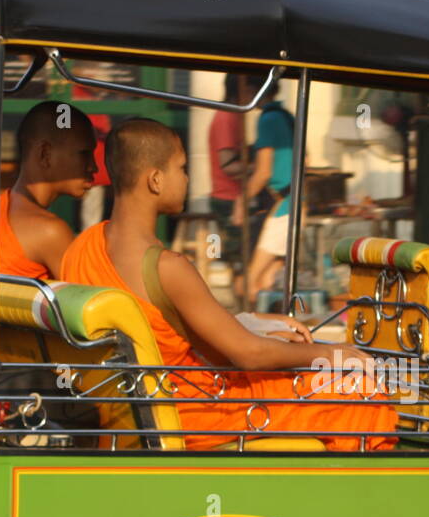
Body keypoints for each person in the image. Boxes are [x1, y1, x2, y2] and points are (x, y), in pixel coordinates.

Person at [60, 118, 397, 451]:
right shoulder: (168, 267)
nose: (187, 179)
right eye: (182, 168)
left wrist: (255, 326)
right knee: (360, 389)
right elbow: (247, 355)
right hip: (197, 412)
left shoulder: (80, 247)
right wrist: (331, 352)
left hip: (127, 411)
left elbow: (179, 337)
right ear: (155, 180)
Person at [0, 101, 97, 280]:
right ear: (44, 154)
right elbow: (87, 304)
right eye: (84, 153)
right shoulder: (50, 231)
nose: (94, 167)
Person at [237, 85, 296, 310]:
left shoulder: (268, 120)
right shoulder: (286, 116)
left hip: (283, 207)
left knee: (250, 281)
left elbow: (263, 172)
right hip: (294, 203)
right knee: (265, 281)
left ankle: (248, 332)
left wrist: (240, 202)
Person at [210, 74, 254, 301]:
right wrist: (258, 167)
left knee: (244, 258)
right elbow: (228, 165)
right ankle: (241, 307)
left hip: (231, 195)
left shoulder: (231, 116)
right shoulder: (227, 117)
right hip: (228, 197)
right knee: (241, 259)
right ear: (242, 89)